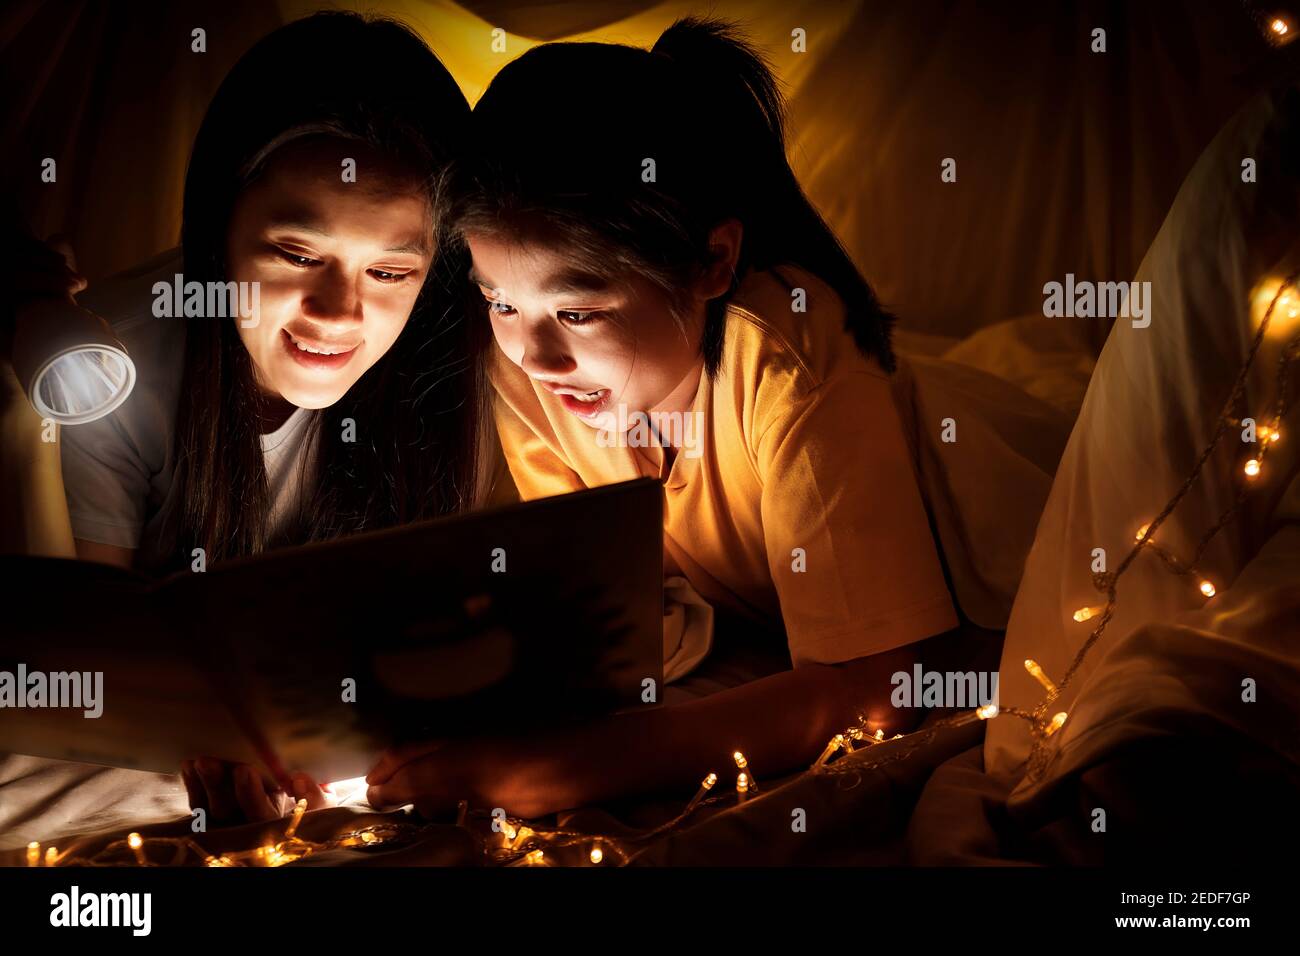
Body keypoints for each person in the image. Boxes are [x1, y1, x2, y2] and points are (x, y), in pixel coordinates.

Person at [364, 18, 963, 819]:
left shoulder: (785, 353)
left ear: (712, 261)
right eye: (500, 299)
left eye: (579, 311)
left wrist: (565, 771)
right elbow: (595, 623)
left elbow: (879, 688)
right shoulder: (522, 362)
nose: (535, 353)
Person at [0, 11, 493, 823]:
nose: (339, 312)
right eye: (297, 256)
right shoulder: (111, 365)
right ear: (219, 229)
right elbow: (105, 670)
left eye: (390, 269)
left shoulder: (453, 366)